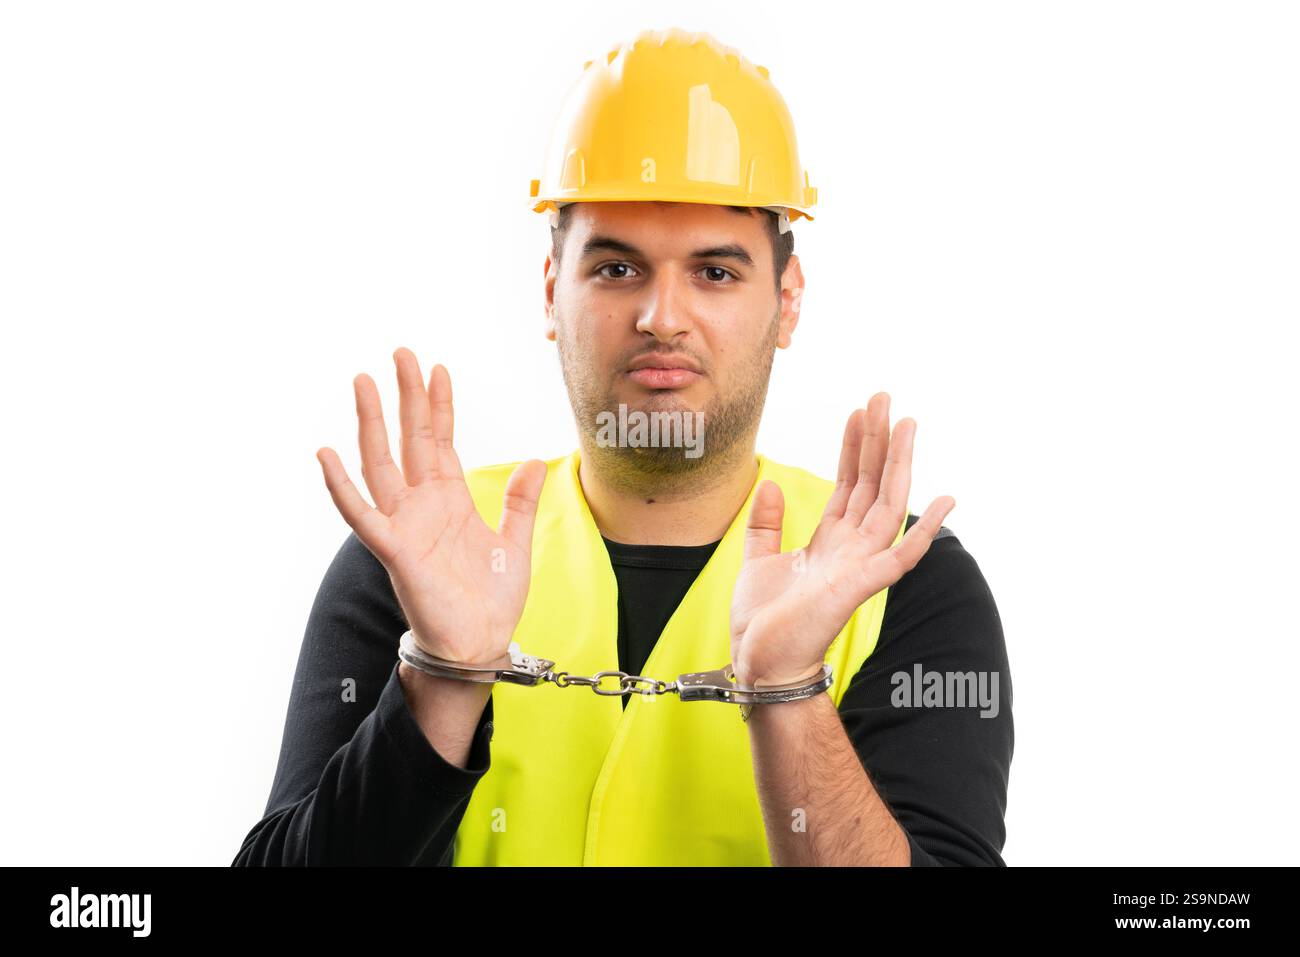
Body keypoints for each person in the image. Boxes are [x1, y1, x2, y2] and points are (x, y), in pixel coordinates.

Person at [233, 27, 1012, 867]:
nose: (662, 317)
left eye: (715, 272)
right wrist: (439, 678)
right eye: (616, 269)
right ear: (550, 292)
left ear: (787, 301)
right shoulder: (418, 558)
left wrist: (790, 694)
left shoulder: (903, 579)